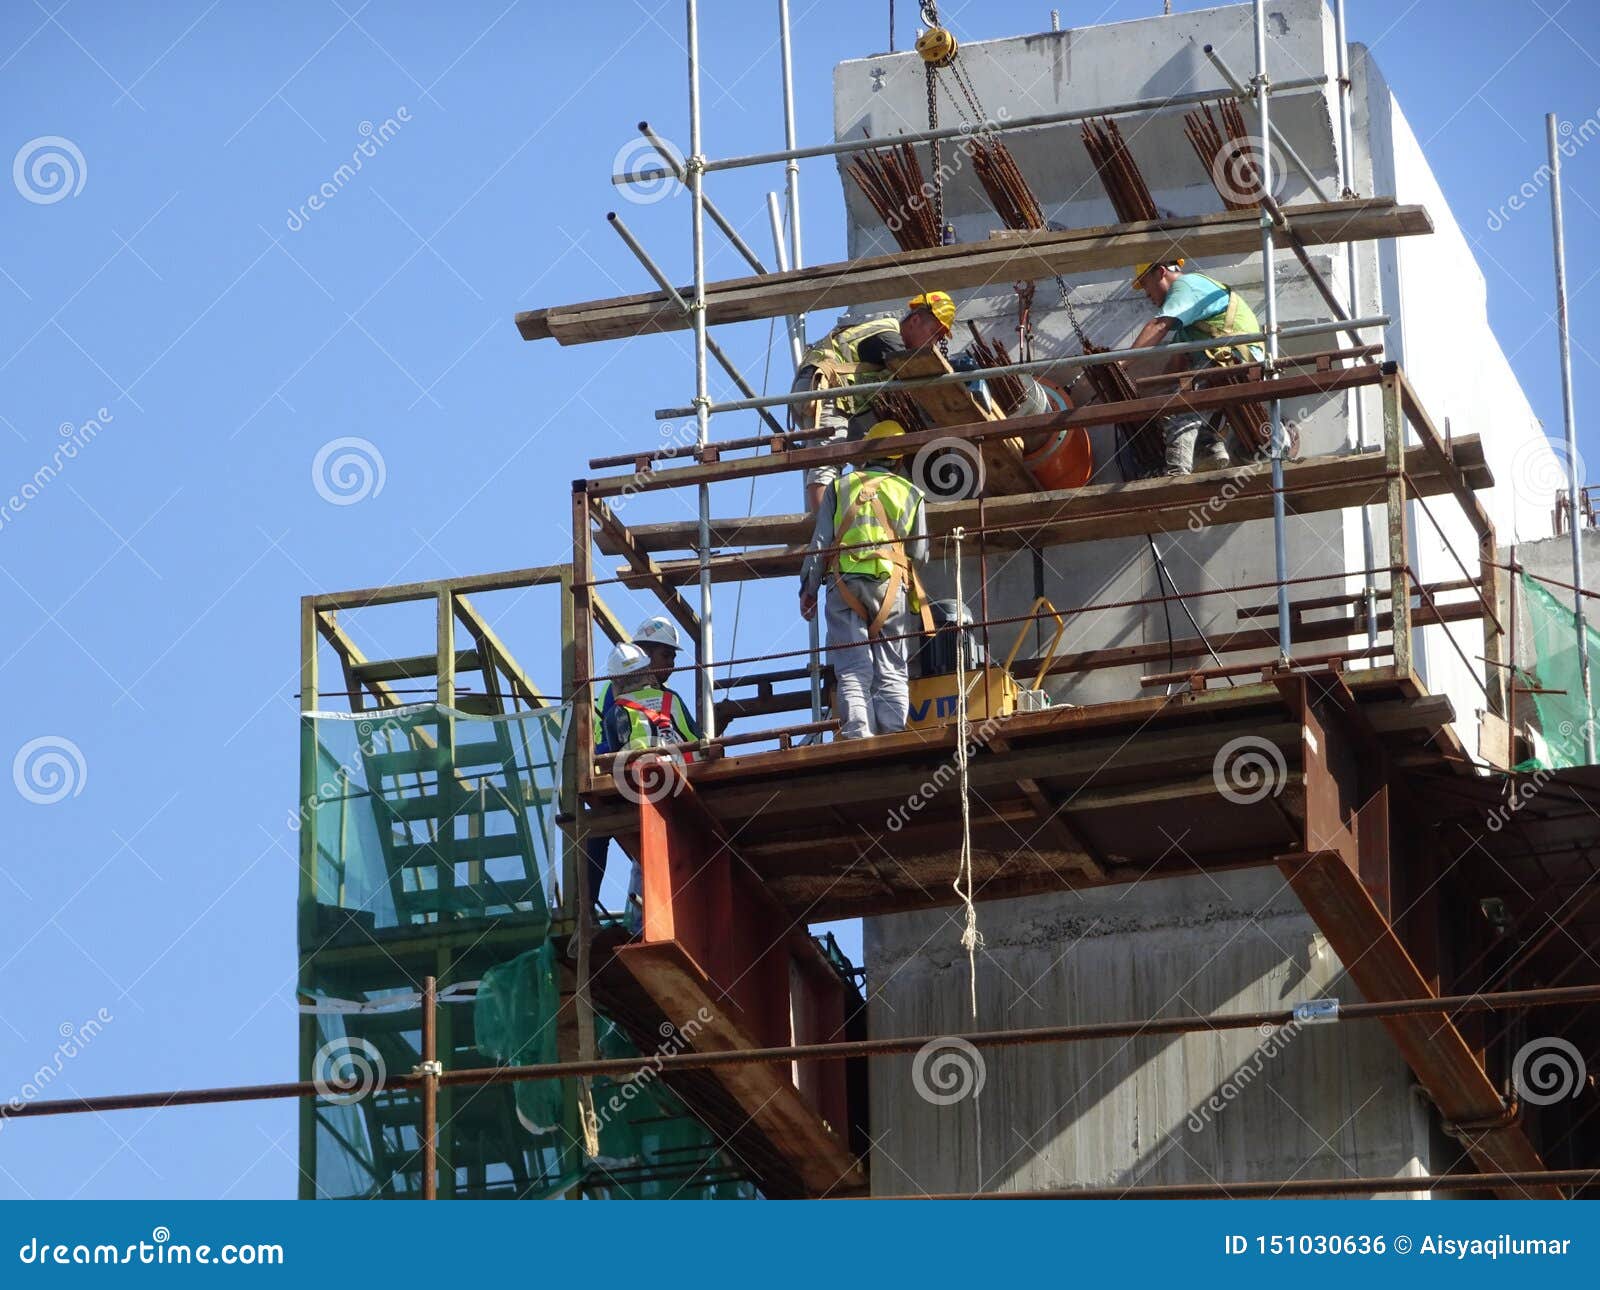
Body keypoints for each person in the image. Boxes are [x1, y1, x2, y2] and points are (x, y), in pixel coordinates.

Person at [799, 420, 931, 740]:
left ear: (866, 453)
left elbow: (820, 543)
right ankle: (893, 735)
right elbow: (921, 552)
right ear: (898, 459)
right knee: (891, 668)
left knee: (853, 669)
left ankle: (859, 735)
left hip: (844, 585)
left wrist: (808, 587)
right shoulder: (911, 493)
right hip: (890, 587)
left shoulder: (840, 487)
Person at [793, 290, 956, 513]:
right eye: (934, 333)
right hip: (825, 388)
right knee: (830, 457)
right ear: (916, 320)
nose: (933, 343)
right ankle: (826, 532)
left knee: (878, 456)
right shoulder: (888, 334)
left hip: (848, 400)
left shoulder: (894, 341)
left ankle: (865, 518)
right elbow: (912, 371)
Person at [584, 633, 699, 919]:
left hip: (640, 788)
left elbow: (612, 758)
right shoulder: (671, 700)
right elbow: (697, 740)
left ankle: (598, 911)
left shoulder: (617, 711)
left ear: (618, 681)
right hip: (681, 782)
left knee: (624, 840)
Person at [1126, 259, 1265, 476]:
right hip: (1232, 361)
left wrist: (1119, 363)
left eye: (1145, 285)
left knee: (1180, 407)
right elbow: (1176, 366)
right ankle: (1211, 451)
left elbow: (1159, 325)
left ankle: (1176, 475)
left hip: (1230, 357)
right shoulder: (1189, 325)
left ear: (1161, 272)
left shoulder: (1187, 285)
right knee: (1183, 399)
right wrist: (1145, 397)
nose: (1146, 294)